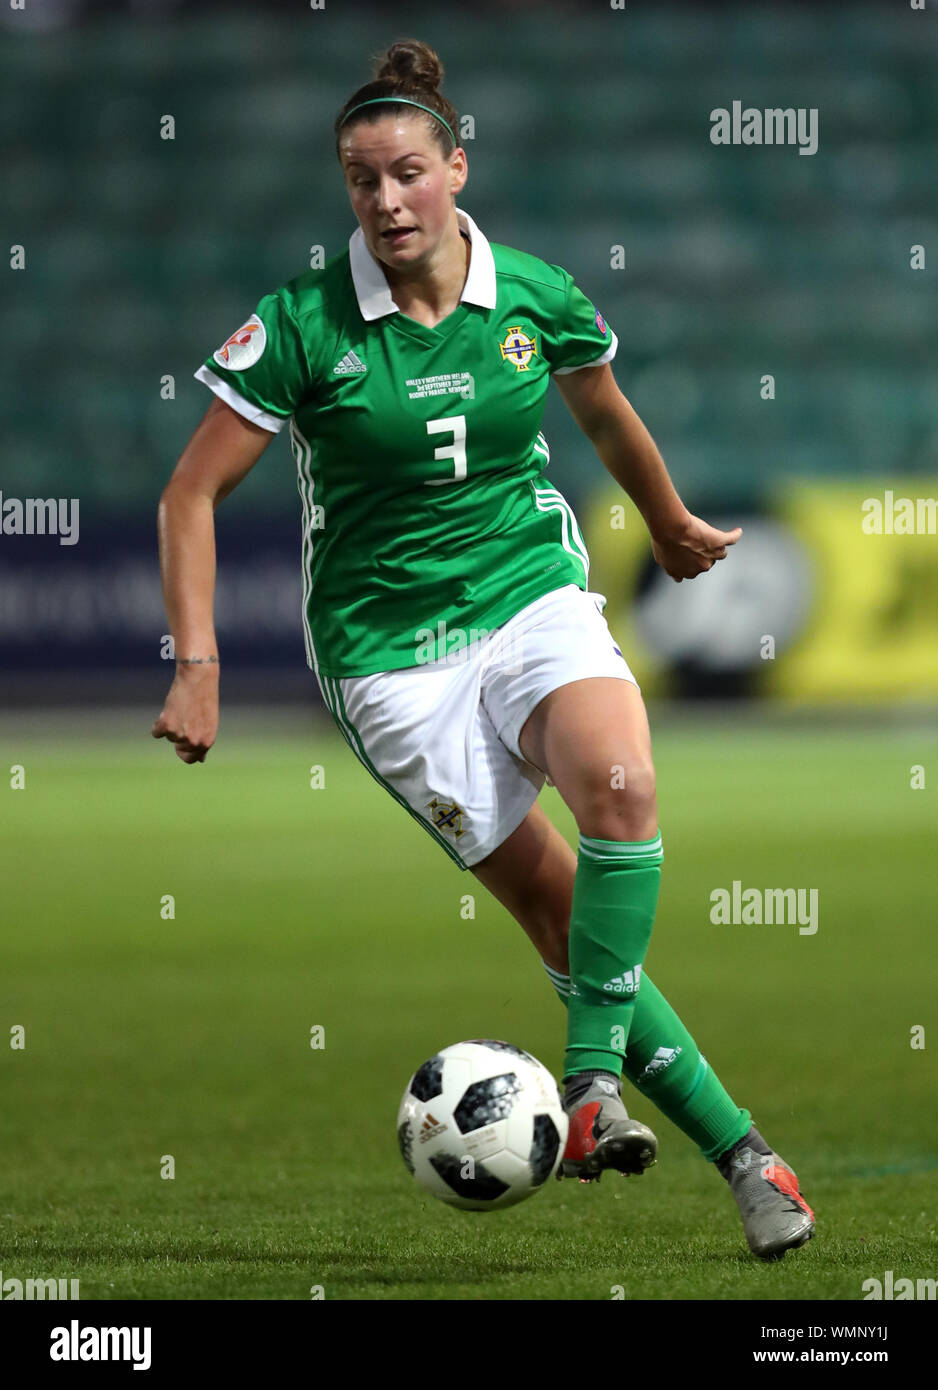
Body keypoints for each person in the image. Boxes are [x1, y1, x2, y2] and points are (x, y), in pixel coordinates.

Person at [153, 38, 814, 1260]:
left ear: (457, 166)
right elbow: (188, 493)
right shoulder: (300, 327)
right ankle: (746, 1159)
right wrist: (197, 665)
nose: (387, 201)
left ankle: (589, 1088)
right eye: (361, 181)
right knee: (563, 922)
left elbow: (604, 410)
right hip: (391, 663)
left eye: (408, 172)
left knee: (619, 785)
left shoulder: (538, 296)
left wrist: (664, 520)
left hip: (527, 596)